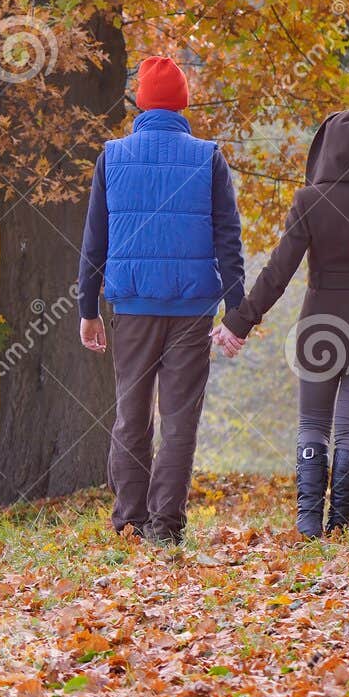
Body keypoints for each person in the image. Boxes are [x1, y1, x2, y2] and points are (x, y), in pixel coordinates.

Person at [212, 109, 349, 538]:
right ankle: (339, 526)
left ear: (324, 151)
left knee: (313, 425)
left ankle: (308, 522)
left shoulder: (309, 201)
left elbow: (278, 271)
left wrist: (238, 324)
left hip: (321, 329)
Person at [78, 56, 245, 544]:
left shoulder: (112, 157)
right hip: (192, 311)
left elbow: (94, 240)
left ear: (141, 103)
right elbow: (228, 238)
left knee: (131, 417)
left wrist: (88, 309)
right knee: (179, 422)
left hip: (132, 308)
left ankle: (129, 523)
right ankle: (165, 527)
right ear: (182, 103)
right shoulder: (208, 156)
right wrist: (236, 309)